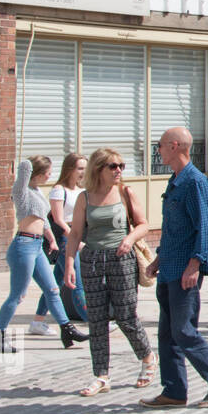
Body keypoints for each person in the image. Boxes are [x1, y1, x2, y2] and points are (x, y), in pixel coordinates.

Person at [141, 127, 208, 408]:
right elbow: (172, 229)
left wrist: (195, 265)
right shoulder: (175, 180)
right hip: (169, 267)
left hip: (185, 270)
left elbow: (206, 227)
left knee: (183, 330)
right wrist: (158, 259)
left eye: (159, 145)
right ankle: (174, 391)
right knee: (167, 333)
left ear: (174, 145)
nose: (157, 150)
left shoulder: (195, 181)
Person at [66, 148, 157, 397]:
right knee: (96, 319)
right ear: (99, 169)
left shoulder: (125, 193)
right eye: (113, 166)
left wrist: (129, 239)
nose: (118, 170)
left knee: (126, 315)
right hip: (93, 259)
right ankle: (101, 375)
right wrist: (68, 265)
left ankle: (148, 357)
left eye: (121, 166)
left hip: (121, 258)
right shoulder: (85, 198)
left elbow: (143, 224)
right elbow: (75, 234)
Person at [0, 156, 88, 353]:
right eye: (48, 171)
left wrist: (51, 238)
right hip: (23, 245)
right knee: (17, 295)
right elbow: (24, 169)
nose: (51, 175)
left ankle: (67, 329)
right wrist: (31, 163)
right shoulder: (22, 191)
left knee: (52, 289)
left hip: (36, 246)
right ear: (40, 172)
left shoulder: (37, 192)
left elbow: (43, 219)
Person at [30, 152, 88, 334]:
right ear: (69, 169)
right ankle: (94, 321)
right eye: (79, 168)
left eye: (85, 168)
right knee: (77, 282)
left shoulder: (80, 190)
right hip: (66, 238)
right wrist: (73, 237)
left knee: (55, 283)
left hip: (78, 234)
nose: (83, 172)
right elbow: (57, 218)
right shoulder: (58, 189)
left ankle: (38, 321)